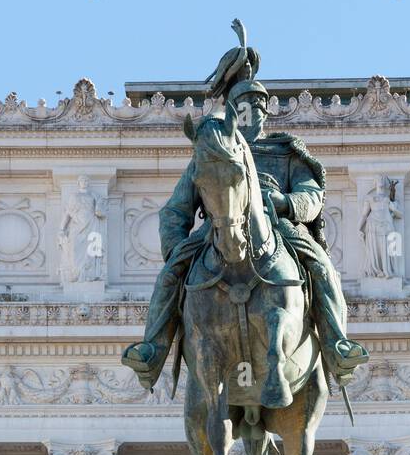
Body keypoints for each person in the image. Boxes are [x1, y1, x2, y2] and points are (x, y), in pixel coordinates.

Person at [122, 26, 366, 393]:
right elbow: (175, 211)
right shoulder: (212, 158)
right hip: (217, 231)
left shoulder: (286, 151)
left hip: (280, 230)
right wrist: (176, 249)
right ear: (234, 113)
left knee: (320, 267)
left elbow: (312, 194)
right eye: (246, 107)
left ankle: (336, 344)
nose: (254, 114)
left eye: (260, 107)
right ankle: (152, 350)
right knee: (171, 274)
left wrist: (285, 202)